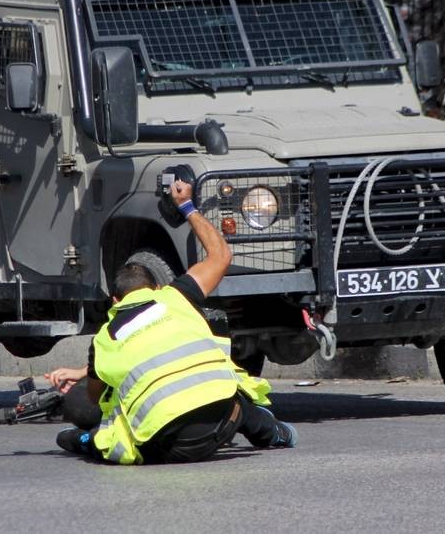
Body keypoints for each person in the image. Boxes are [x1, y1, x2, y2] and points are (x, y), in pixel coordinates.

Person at [45, 177, 298, 463]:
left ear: (115, 301)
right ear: (155, 288)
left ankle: (82, 440)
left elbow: (96, 397)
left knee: (106, 433)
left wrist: (87, 375)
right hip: (223, 424)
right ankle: (278, 434)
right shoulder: (177, 296)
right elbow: (221, 254)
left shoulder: (105, 338)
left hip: (167, 448)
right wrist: (187, 207)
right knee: (238, 403)